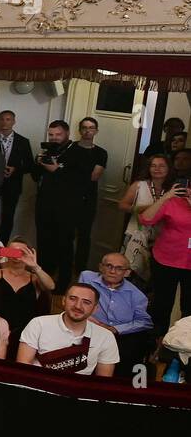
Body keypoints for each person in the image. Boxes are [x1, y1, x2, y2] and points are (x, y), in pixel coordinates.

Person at [33, 119, 91, 293]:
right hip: (44, 205)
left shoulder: (78, 152)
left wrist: (56, 170)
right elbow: (36, 177)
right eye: (51, 134)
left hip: (66, 208)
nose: (54, 138)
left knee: (64, 246)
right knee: (44, 243)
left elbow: (81, 181)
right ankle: (43, 280)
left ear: (67, 134)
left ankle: (62, 284)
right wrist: (38, 163)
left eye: (58, 134)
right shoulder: (47, 151)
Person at [16, 283, 118, 375]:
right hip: (38, 387)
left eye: (86, 302)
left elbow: (103, 381)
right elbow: (23, 368)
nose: (78, 306)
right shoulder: (39, 324)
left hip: (77, 392)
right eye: (73, 299)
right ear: (64, 301)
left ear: (95, 309)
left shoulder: (106, 337)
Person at [79, 253, 153, 375]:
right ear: (100, 267)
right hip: (90, 328)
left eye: (119, 268)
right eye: (109, 266)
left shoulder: (137, 295)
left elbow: (145, 322)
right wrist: (89, 319)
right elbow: (78, 301)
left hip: (120, 335)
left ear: (127, 273)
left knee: (129, 352)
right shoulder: (87, 278)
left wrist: (115, 329)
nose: (113, 271)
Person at [139, 176, 191, 347]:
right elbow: (145, 219)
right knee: (162, 302)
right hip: (166, 259)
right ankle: (152, 344)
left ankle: (181, 347)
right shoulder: (173, 202)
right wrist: (166, 197)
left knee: (189, 305)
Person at [0, 238, 53, 351]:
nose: (16, 257)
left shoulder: (35, 278)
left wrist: (35, 266)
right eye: (12, 252)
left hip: (25, 334)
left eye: (21, 253)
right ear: (6, 252)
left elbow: (50, 286)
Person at [118, 153, 169, 284]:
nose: (157, 169)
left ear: (169, 168)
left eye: (161, 166)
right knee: (129, 270)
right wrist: (141, 209)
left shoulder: (172, 189)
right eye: (153, 165)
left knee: (154, 274)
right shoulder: (139, 185)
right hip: (136, 234)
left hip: (161, 237)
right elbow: (122, 205)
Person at [72, 117, 108, 275]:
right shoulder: (70, 148)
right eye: (85, 127)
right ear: (80, 130)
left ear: (96, 131)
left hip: (88, 200)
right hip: (67, 199)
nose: (88, 131)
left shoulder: (101, 153)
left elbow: (94, 176)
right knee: (64, 234)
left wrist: (72, 173)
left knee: (84, 236)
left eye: (91, 127)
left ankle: (80, 270)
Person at [0, 109, 34, 242]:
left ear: (14, 121)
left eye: (8, 119)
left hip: (13, 185)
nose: (5, 122)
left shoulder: (23, 141)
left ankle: (1, 247)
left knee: (8, 217)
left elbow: (30, 165)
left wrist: (15, 169)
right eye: (2, 119)